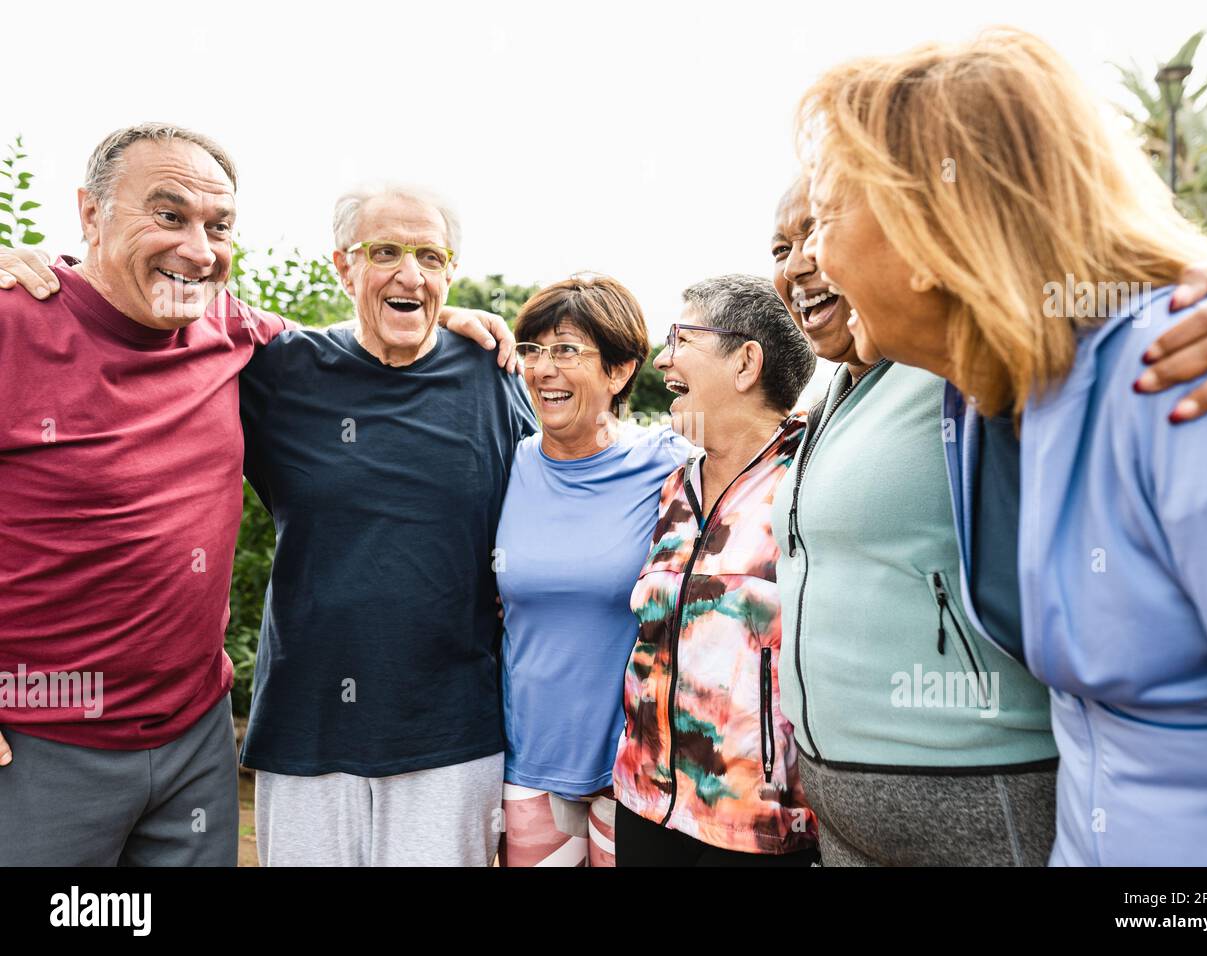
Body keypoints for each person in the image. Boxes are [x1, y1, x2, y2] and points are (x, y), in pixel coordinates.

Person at [800, 27, 1207, 865]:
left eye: (821, 219)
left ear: (927, 232)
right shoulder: (988, 396)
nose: (811, 257)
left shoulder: (1198, 380)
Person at [0, 124, 516, 867]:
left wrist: (449, 328)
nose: (199, 249)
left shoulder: (231, 330)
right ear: (90, 214)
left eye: (219, 226)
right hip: (40, 737)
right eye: (169, 217)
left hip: (193, 738)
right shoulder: (18, 317)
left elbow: (360, 352)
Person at [237, 182, 536, 866]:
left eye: (431, 257)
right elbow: (159, 328)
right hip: (308, 724)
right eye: (386, 252)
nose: (411, 273)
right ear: (343, 267)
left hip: (451, 732)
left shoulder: (492, 376)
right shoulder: (282, 371)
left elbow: (570, 485)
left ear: (451, 272)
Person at [769, 177, 1058, 866]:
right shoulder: (834, 393)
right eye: (780, 246)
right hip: (842, 807)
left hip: (978, 795)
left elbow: (1105, 286)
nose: (798, 262)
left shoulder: (965, 358)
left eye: (817, 230)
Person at [613, 274, 820, 866]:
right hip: (643, 801)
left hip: (756, 826)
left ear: (746, 362)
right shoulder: (671, 487)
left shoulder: (811, 480)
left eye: (681, 337)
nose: (662, 358)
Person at [495, 275, 692, 867]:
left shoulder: (671, 462)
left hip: (636, 768)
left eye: (566, 350)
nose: (544, 369)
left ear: (620, 371)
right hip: (528, 760)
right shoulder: (506, 461)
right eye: (533, 351)